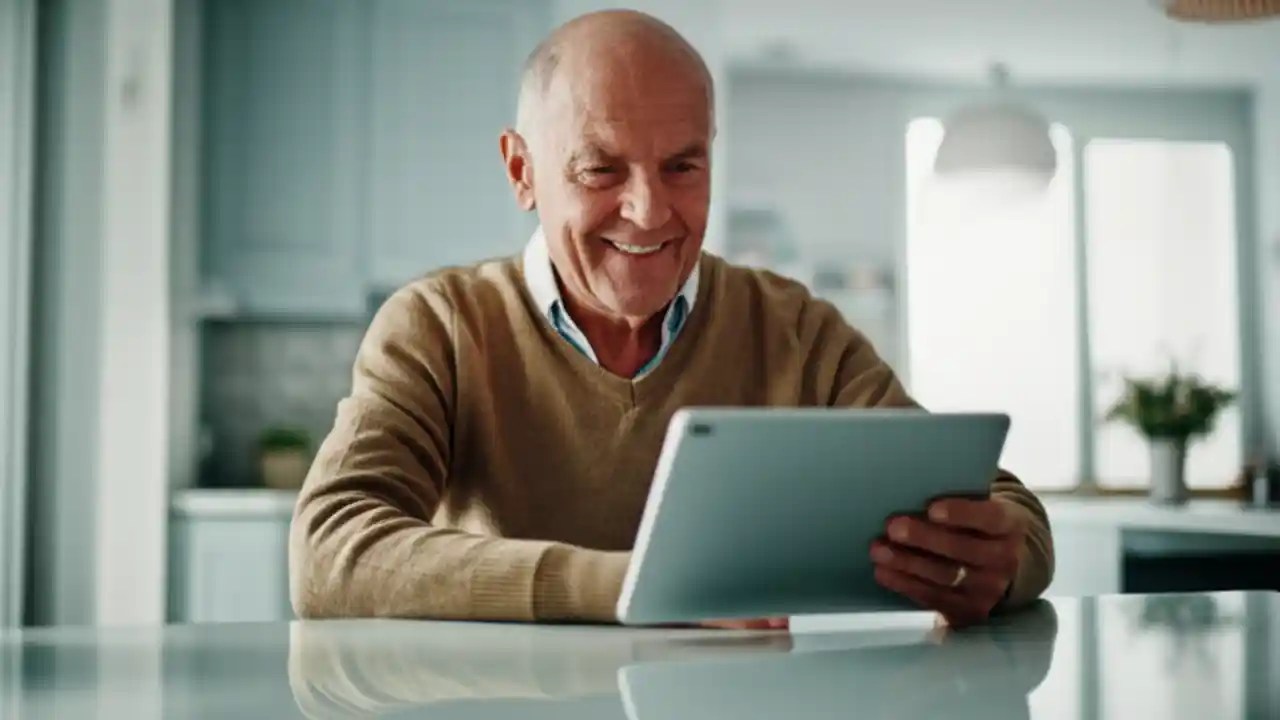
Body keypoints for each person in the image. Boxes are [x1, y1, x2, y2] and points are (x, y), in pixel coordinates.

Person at [289, 9, 1053, 629]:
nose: (649, 211)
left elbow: (1008, 510)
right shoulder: (440, 325)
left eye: (682, 166)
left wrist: (1002, 559)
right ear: (523, 171)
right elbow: (329, 552)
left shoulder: (795, 329)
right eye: (601, 168)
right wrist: (630, 589)